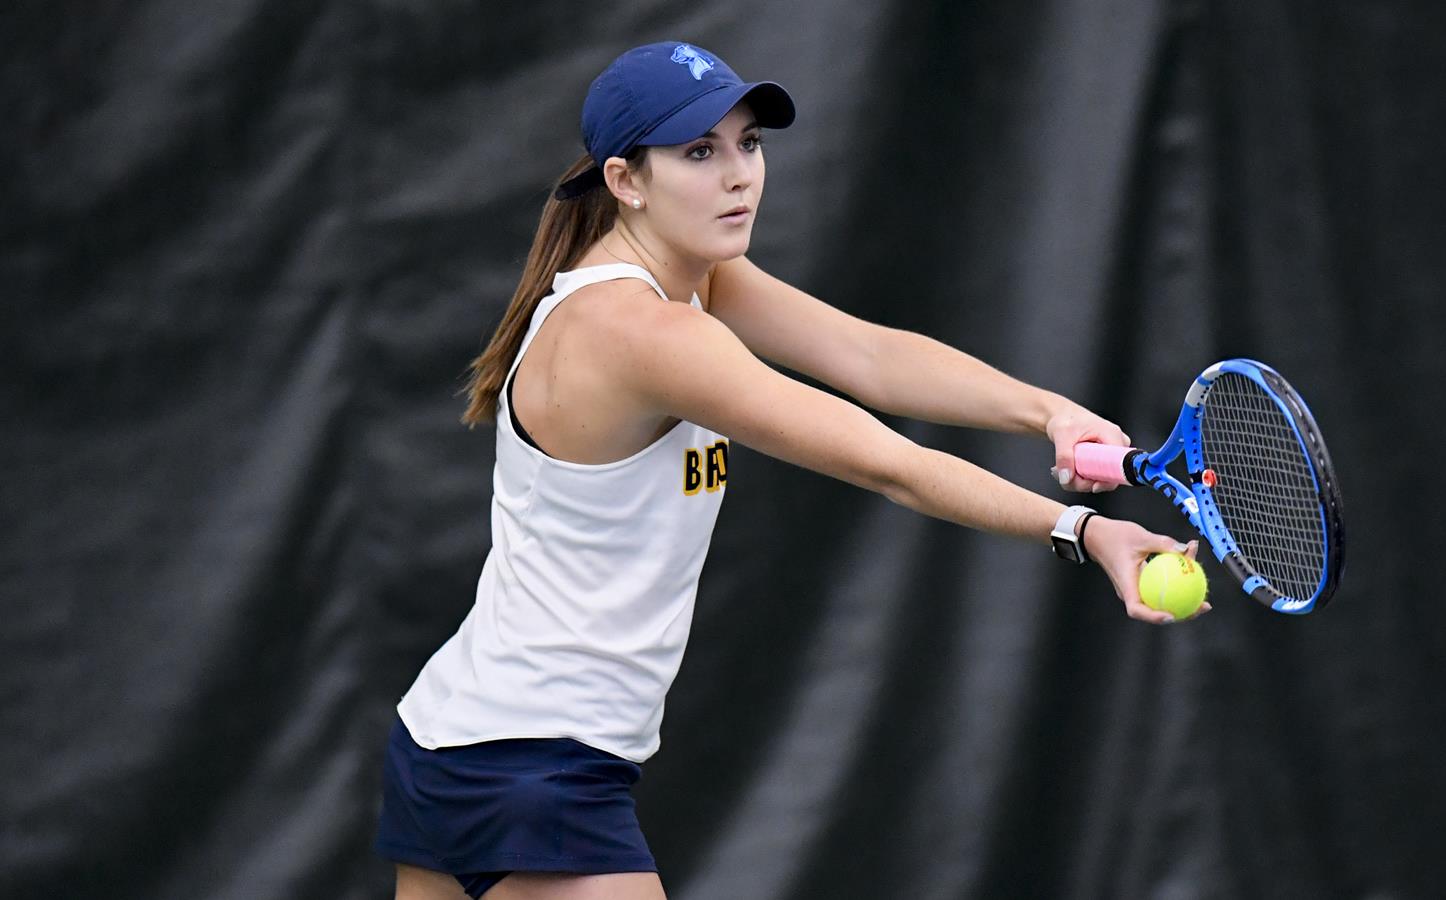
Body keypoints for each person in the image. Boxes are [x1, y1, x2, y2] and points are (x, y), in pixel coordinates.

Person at [374, 41, 1206, 900]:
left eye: (749, 143)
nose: (738, 175)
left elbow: (868, 357)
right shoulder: (644, 332)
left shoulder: (694, 282)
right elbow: (893, 465)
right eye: (699, 152)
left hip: (455, 739)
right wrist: (1081, 528)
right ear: (626, 181)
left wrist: (1046, 411)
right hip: (531, 762)